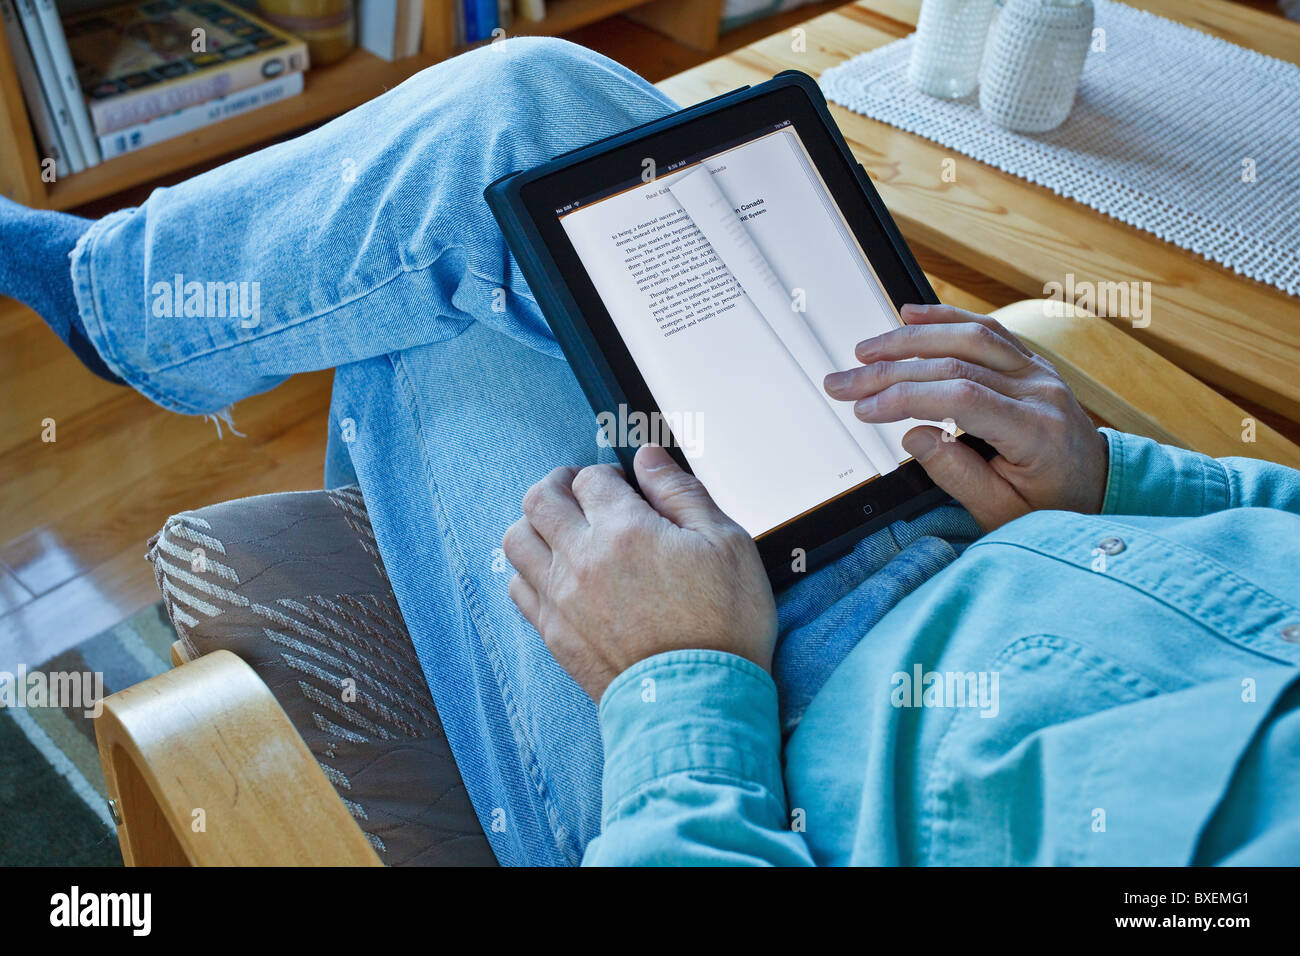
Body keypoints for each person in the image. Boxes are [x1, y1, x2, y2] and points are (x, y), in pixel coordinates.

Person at [4, 38, 1298, 866]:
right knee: (529, 114)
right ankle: (121, 299)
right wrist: (1120, 477)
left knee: (448, 270)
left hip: (742, 759)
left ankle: (121, 311)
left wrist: (681, 679)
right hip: (975, 516)